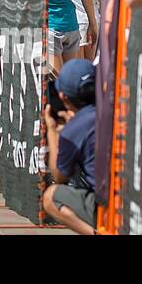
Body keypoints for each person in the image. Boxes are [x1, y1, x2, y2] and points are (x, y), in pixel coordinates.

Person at [42, 58, 97, 235]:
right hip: (135, 199)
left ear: (63, 97)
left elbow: (59, 176)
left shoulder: (73, 130)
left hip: (107, 205)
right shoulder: (115, 108)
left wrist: (52, 131)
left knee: (51, 196)